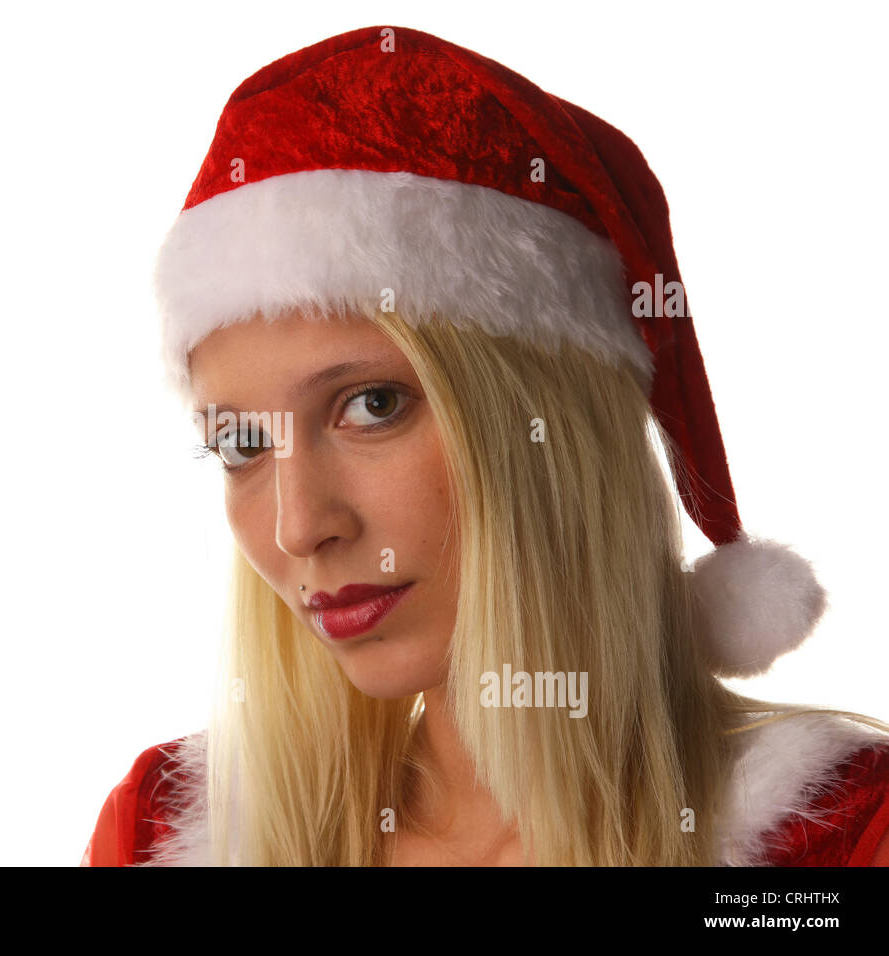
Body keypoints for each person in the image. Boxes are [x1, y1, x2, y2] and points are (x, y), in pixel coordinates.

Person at [82, 24, 889, 866]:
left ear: (549, 426)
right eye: (243, 442)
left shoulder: (840, 842)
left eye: (373, 403)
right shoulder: (155, 836)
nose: (296, 526)